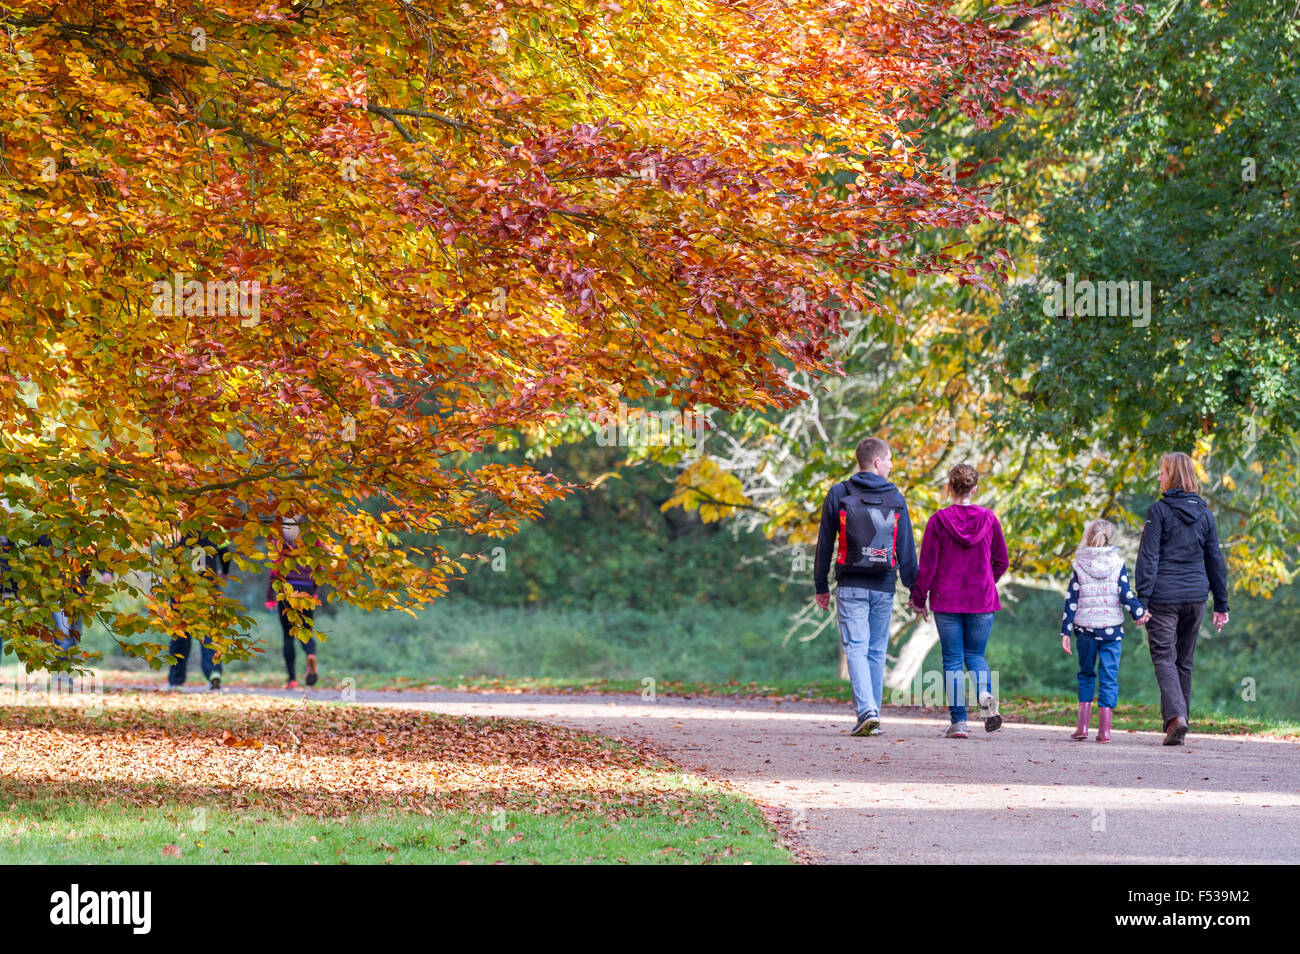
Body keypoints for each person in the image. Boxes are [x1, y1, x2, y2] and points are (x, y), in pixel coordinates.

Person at [814, 436, 918, 737]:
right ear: (876, 462)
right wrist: (915, 591)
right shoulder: (896, 497)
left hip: (851, 585)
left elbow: (824, 544)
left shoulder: (839, 493)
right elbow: (906, 549)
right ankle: (873, 717)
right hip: (884, 585)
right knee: (876, 651)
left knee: (856, 649)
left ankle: (867, 712)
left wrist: (820, 584)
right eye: (889, 460)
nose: (891, 465)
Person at [1134, 452, 1229, 746]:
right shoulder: (1205, 514)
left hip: (1163, 597)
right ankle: (1177, 725)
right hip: (1195, 597)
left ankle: (1176, 718)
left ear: (1173, 476)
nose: (1159, 477)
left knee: (1164, 658)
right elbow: (1215, 559)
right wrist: (1221, 603)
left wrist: (1142, 600)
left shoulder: (1158, 512)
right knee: (1183, 662)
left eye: (1162, 472)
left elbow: (1148, 558)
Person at [910, 464, 1008, 738]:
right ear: (974, 489)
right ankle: (986, 697)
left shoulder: (938, 521)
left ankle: (959, 723)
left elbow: (927, 565)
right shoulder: (989, 519)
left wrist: (919, 598)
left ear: (950, 488)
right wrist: (988, 581)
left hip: (947, 600)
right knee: (975, 655)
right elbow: (1002, 560)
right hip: (982, 600)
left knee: (952, 659)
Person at [1059, 519, 1150, 742]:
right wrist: (1139, 613)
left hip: (1086, 631)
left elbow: (1072, 601)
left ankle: (1082, 727)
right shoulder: (1117, 564)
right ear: (1111, 539)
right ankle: (1105, 731)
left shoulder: (1079, 564)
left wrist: (1065, 632)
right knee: (1109, 678)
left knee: (1086, 674)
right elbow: (1126, 594)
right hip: (1111, 631)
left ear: (1088, 538)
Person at [166, 530, 232, 691]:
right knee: (209, 633)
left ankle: (176, 681)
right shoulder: (214, 524)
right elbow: (226, 553)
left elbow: (165, 551)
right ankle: (214, 673)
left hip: (180, 588)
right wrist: (224, 571)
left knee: (180, 634)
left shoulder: (174, 524)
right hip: (207, 588)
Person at [266, 519, 321, 689]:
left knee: (288, 635)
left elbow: (275, 567)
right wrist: (314, 588)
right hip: (307, 588)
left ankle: (292, 679)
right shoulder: (311, 535)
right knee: (306, 629)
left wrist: (270, 595)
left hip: (287, 589)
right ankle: (310, 654)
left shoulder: (282, 537)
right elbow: (318, 564)